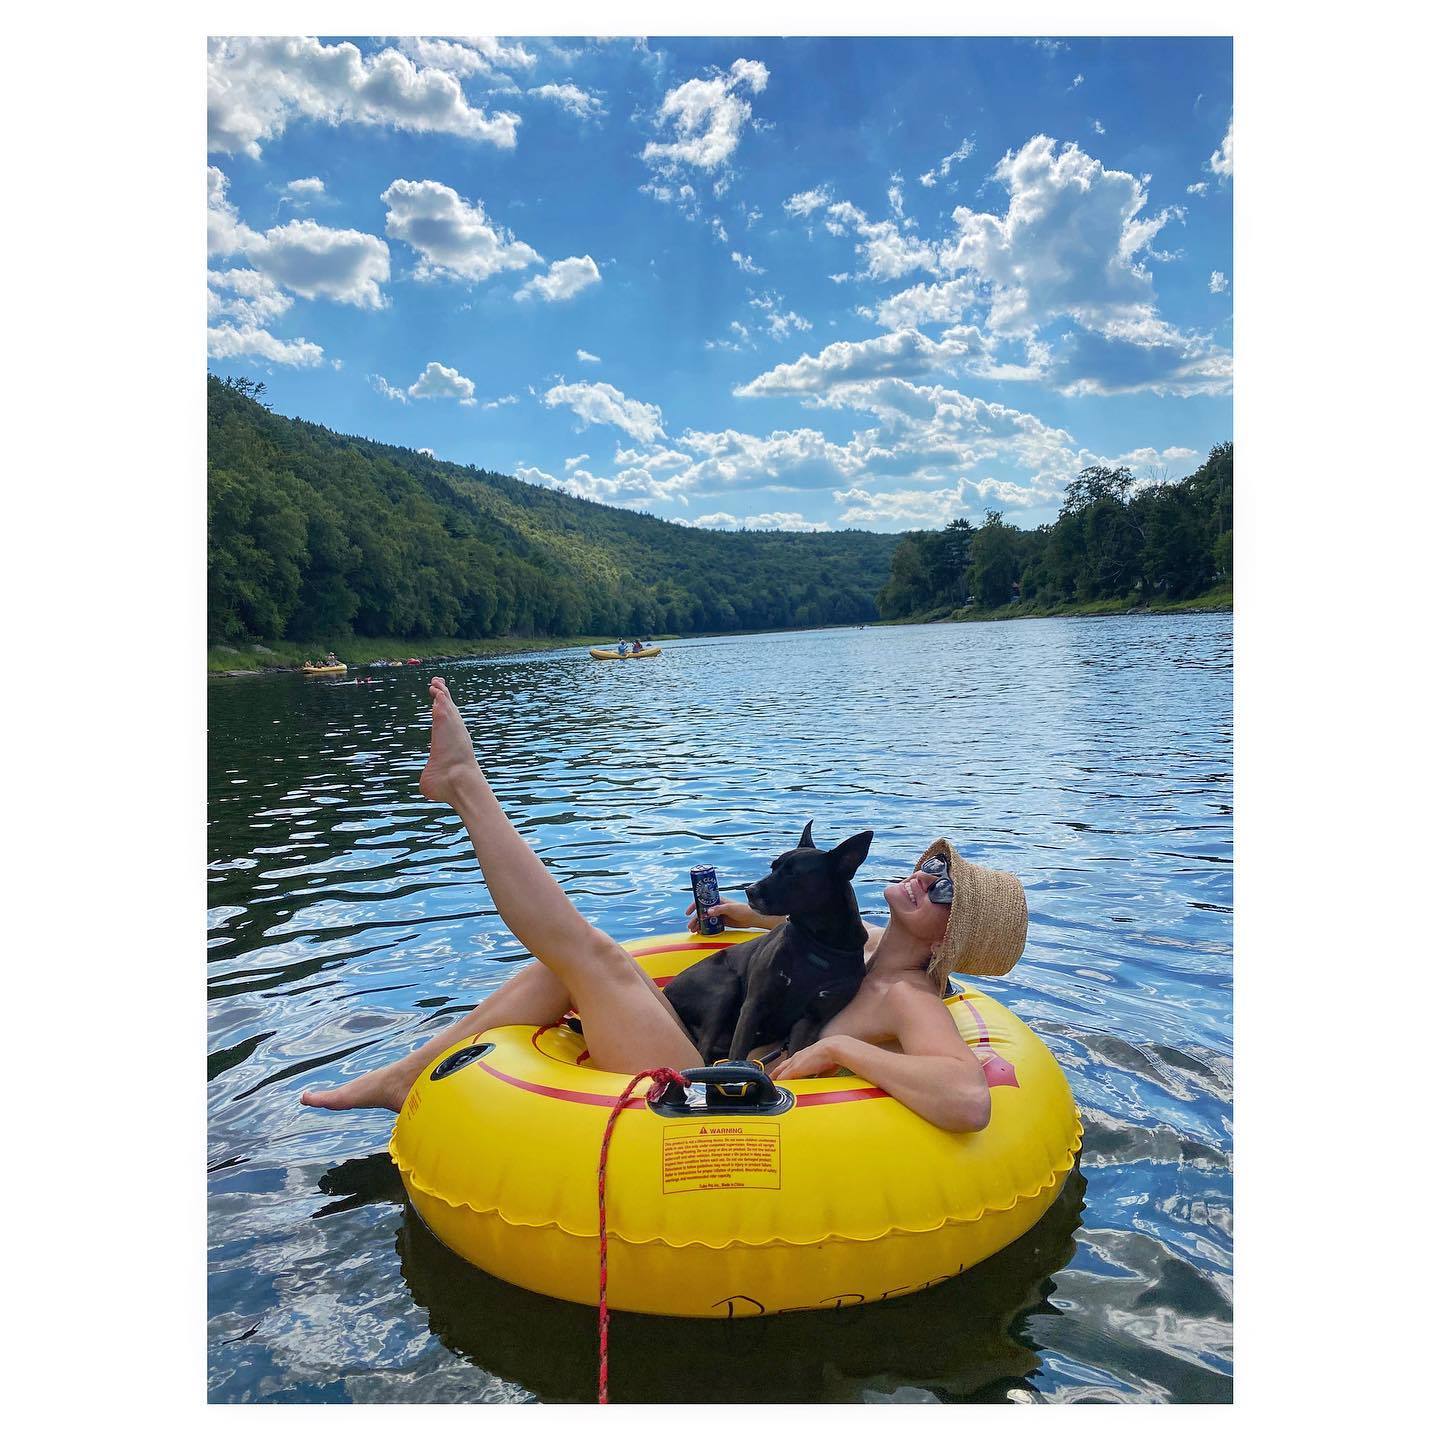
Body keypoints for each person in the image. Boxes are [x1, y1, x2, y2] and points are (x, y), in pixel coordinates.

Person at [301, 678, 1028, 1133]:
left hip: (720, 1103)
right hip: (710, 1064)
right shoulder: (868, 943)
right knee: (559, 971)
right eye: (935, 865)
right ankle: (407, 1075)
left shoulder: (907, 995)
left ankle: (465, 785)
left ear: (948, 940)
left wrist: (837, 1049)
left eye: (945, 888)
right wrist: (735, 915)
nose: (927, 875)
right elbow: (799, 926)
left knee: (590, 954)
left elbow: (969, 1103)